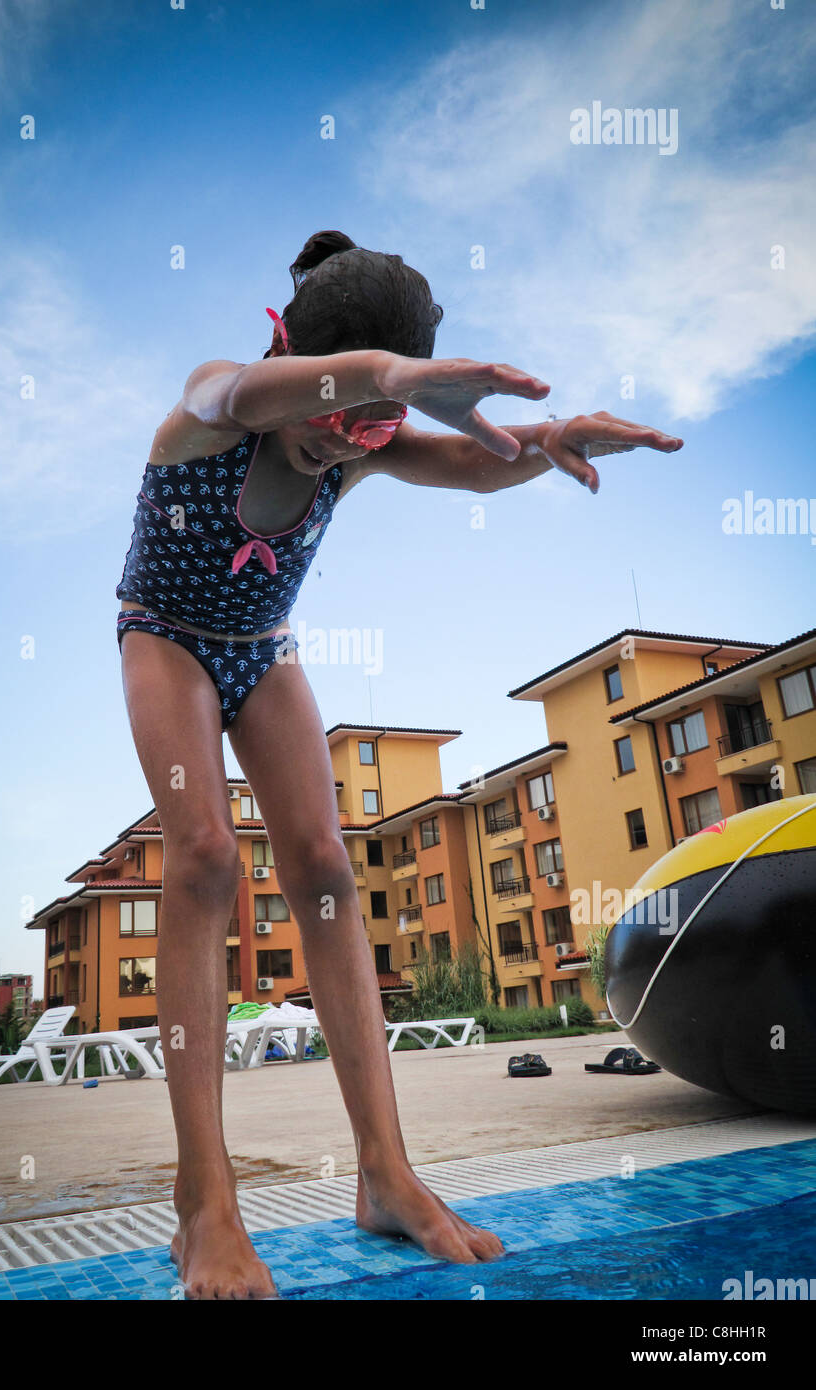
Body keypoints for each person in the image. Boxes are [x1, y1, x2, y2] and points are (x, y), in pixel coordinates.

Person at [116, 230, 683, 1299]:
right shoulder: (212, 402)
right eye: (336, 415)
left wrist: (554, 436)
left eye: (376, 426)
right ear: (292, 354)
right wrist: (386, 380)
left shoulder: (363, 435)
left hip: (261, 654)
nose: (351, 444)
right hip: (165, 637)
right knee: (201, 859)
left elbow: (474, 464)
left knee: (328, 869)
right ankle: (204, 1204)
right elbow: (244, 392)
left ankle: (383, 1173)